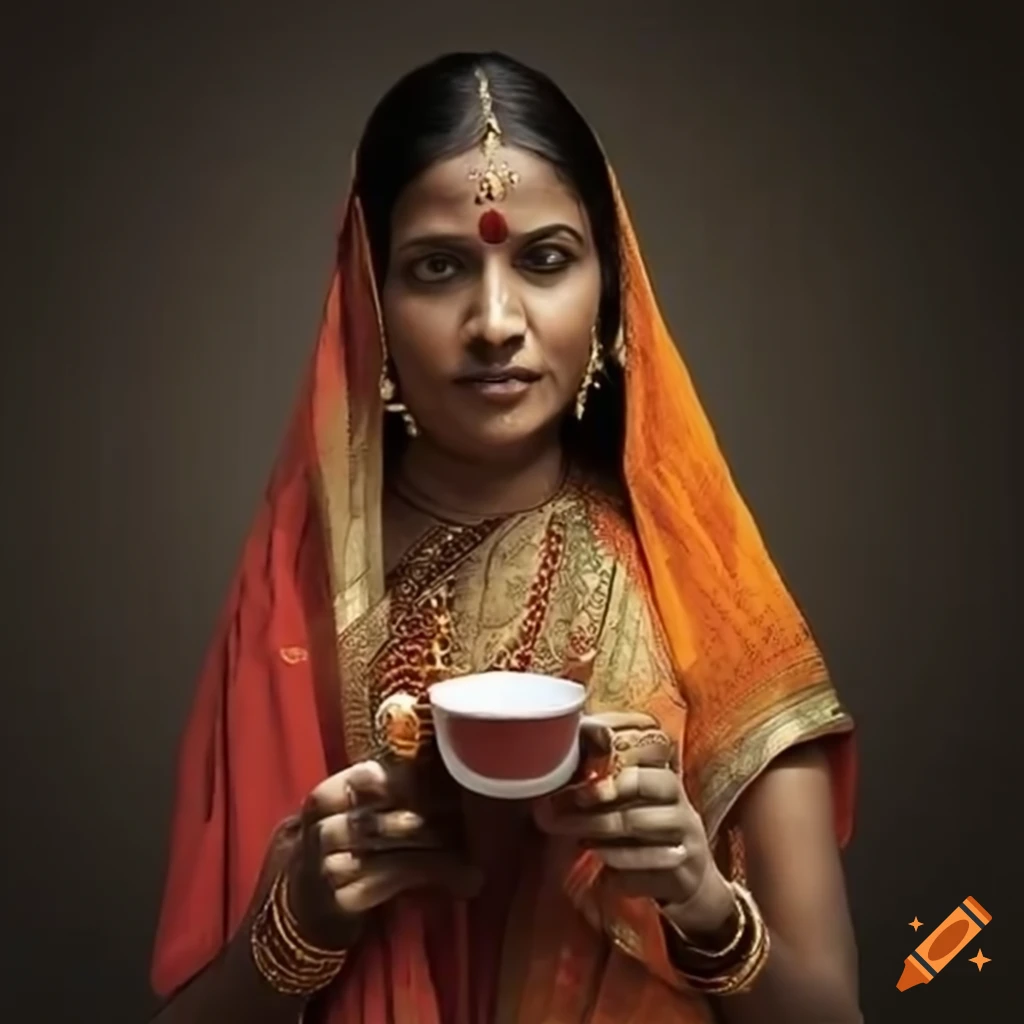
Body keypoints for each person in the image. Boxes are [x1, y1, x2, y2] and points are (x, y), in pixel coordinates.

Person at [148, 52, 860, 1024]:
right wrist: (297, 927)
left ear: (608, 292)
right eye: (438, 267)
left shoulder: (698, 594)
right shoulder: (296, 602)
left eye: (546, 258)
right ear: (370, 301)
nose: (494, 321)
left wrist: (698, 900)